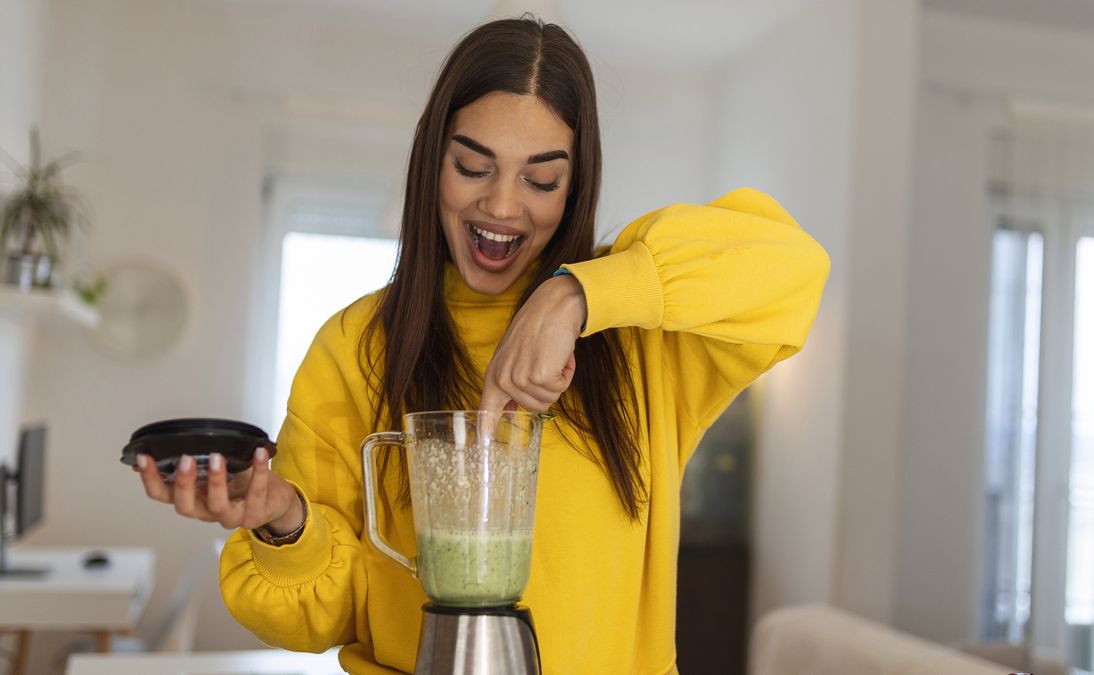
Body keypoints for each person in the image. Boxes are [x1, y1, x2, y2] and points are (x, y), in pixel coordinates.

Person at [136, 16, 829, 675]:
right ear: (432, 160)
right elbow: (326, 612)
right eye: (473, 167)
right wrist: (285, 523)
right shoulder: (357, 348)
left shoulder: (640, 341)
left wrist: (579, 295)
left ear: (575, 184)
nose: (501, 206)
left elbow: (796, 268)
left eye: (540, 179)